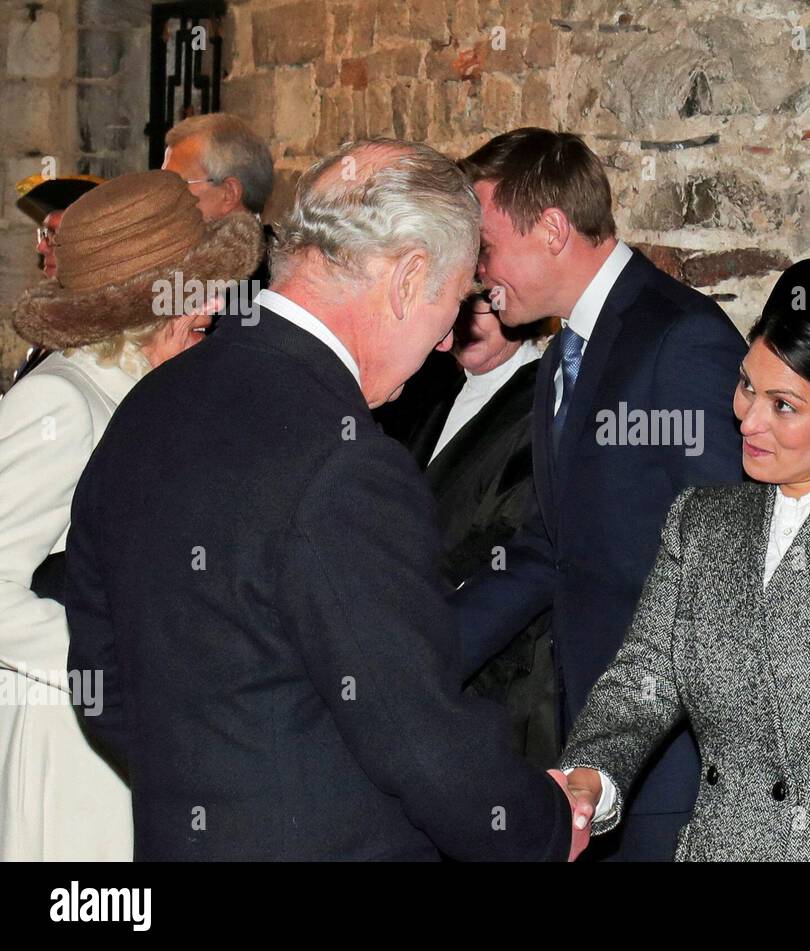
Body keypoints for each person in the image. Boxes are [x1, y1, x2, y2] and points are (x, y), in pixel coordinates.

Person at [63, 139, 586, 861]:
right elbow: (419, 740)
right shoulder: (344, 465)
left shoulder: (151, 403)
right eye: (456, 296)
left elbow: (99, 681)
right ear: (407, 278)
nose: (446, 340)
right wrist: (547, 824)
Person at [559, 260, 810, 861]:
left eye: (783, 405)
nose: (747, 419)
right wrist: (593, 774)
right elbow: (645, 678)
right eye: (747, 385)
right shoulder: (703, 520)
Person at [450, 128, 747, 860]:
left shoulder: (681, 339)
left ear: (551, 229)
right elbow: (549, 551)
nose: (475, 275)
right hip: (593, 752)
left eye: (484, 249)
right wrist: (416, 651)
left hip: (673, 767)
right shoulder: (561, 358)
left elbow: (726, 563)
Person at [0, 169, 263, 860]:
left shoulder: (140, 393)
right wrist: (114, 664)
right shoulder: (62, 403)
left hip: (126, 739)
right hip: (75, 747)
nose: (210, 313)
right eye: (198, 306)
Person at [400, 294, 559, 768]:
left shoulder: (542, 400)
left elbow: (510, 546)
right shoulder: (432, 386)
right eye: (458, 300)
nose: (470, 319)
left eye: (485, 302)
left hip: (486, 670)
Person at [161, 112, 276, 324]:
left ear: (228, 193)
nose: (164, 196)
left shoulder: (269, 285)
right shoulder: (171, 256)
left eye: (176, 183)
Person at [10, 172, 104, 383]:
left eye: (52, 234)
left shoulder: (106, 325)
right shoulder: (62, 316)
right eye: (43, 233)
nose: (41, 246)